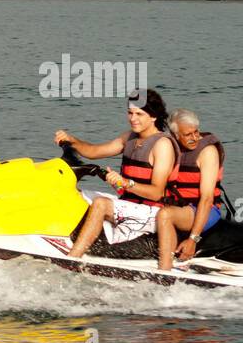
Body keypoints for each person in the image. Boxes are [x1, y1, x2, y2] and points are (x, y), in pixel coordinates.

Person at [54, 88, 178, 258]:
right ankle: (56, 236)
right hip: (129, 205)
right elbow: (94, 151)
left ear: (153, 116)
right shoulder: (130, 137)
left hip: (152, 213)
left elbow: (157, 192)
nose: (133, 119)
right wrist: (72, 140)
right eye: (130, 113)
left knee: (101, 203)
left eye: (139, 114)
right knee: (77, 194)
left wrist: (126, 183)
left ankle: (73, 257)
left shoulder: (162, 145)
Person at [156, 109, 225, 271]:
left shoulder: (207, 152)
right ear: (175, 135)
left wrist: (193, 239)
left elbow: (207, 199)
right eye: (188, 135)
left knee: (166, 214)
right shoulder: (169, 148)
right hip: (180, 207)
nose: (195, 138)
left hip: (205, 209)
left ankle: (164, 272)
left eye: (196, 132)